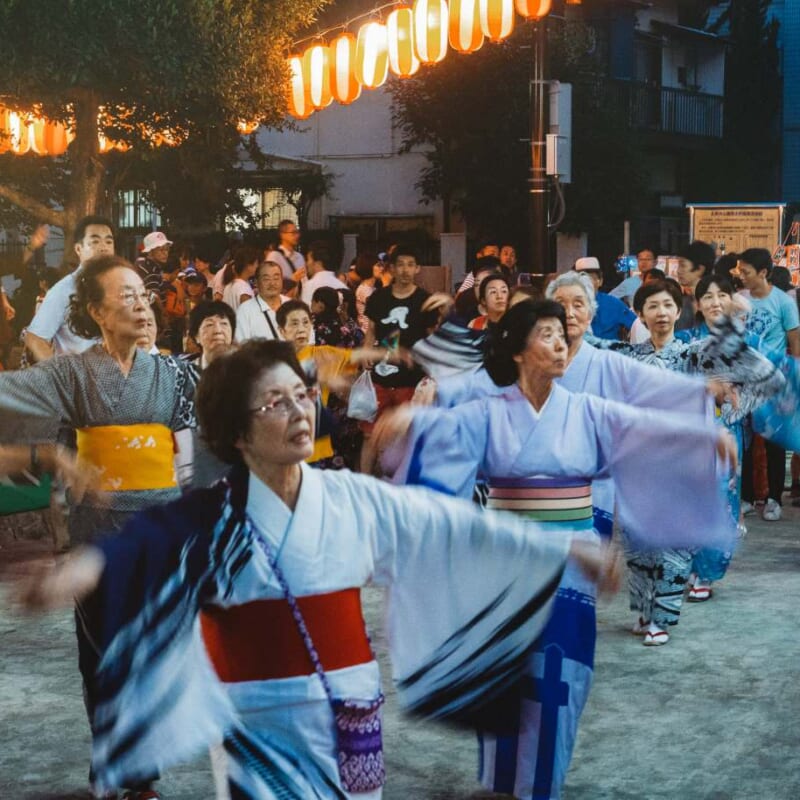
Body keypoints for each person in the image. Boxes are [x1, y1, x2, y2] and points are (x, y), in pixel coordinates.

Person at [14, 339, 612, 799]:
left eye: (302, 395)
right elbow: (136, 546)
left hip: (349, 706)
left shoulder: (351, 495)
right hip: (257, 719)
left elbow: (448, 523)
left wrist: (564, 550)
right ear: (235, 433)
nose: (300, 411)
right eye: (276, 403)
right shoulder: (209, 515)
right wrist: (72, 575)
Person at [371, 300, 735, 800]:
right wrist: (414, 421)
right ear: (519, 351)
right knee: (503, 681)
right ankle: (501, 786)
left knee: (559, 682)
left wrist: (701, 435)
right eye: (546, 334)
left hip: (571, 565)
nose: (561, 343)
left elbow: (641, 427)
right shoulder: (487, 412)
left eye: (562, 334)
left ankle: (539, 789)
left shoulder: (584, 409)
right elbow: (445, 429)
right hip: (503, 566)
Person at [0, 254, 198, 800]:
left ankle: (134, 767)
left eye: (144, 294)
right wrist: (48, 455)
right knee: (109, 659)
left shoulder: (174, 372)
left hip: (162, 534)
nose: (141, 304)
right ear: (96, 312)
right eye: (126, 295)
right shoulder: (71, 371)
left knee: (154, 660)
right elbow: (7, 395)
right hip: (98, 537)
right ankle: (125, 776)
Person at [736, 247, 800, 522]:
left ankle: (774, 498)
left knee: (774, 440)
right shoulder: (740, 300)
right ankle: (748, 497)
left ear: (763, 273)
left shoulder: (783, 302)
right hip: (745, 378)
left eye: (746, 272)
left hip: (774, 378)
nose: (742, 277)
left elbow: (794, 339)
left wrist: (794, 373)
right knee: (746, 440)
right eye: (740, 271)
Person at [362, 247, 433, 440]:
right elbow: (371, 330)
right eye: (400, 265)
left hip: (412, 378)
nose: (405, 270)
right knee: (371, 435)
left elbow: (431, 336)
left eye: (410, 265)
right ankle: (366, 471)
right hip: (380, 375)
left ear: (418, 268)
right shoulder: (378, 298)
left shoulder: (425, 300)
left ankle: (401, 471)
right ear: (391, 268)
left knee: (408, 433)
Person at [25, 215, 115, 362]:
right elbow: (35, 339)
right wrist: (62, 377)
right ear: (78, 249)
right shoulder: (63, 290)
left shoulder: (120, 285)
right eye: (95, 241)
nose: (104, 247)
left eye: (109, 241)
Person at [574, 257, 636, 339]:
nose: (585, 282)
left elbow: (636, 324)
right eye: (581, 278)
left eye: (590, 278)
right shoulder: (568, 305)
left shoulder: (613, 304)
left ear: (600, 281)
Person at [234, 260, 289, 343]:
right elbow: (241, 346)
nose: (272, 283)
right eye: (266, 279)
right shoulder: (245, 310)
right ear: (256, 282)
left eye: (276, 278)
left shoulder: (291, 305)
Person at [675, 240, 715, 330]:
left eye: (683, 265)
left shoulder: (716, 302)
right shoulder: (682, 301)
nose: (678, 271)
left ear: (700, 269)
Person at [300, 241, 348, 305]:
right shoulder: (343, 286)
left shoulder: (309, 286)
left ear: (318, 263)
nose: (307, 264)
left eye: (308, 259)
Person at [221, 246, 258, 311]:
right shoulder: (243, 289)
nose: (257, 266)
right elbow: (248, 316)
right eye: (256, 263)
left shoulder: (229, 285)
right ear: (248, 266)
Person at [136, 231, 173, 295]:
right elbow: (154, 301)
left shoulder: (151, 267)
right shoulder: (150, 272)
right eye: (161, 250)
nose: (165, 253)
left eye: (167, 249)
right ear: (150, 252)